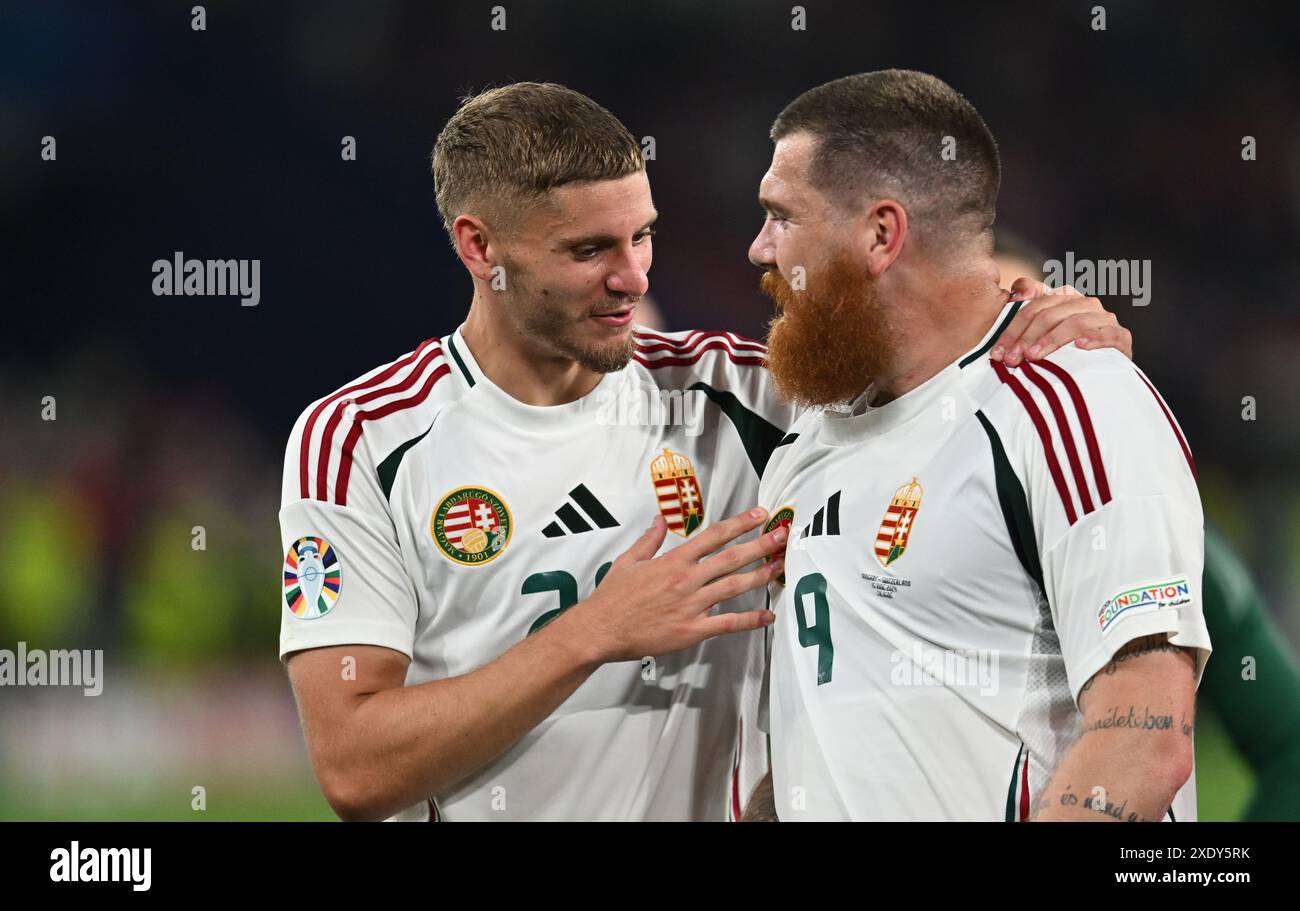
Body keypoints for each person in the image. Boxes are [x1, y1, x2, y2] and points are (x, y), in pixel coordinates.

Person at [280, 81, 1129, 821]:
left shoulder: (746, 395)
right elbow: (355, 767)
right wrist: (596, 631)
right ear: (479, 247)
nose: (635, 276)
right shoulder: (362, 440)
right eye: (590, 251)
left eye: (641, 236)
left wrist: (1045, 319)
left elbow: (940, 354)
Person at [748, 69, 1209, 821]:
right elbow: (833, 751)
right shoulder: (806, 444)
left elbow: (1143, 742)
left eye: (781, 216)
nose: (759, 249)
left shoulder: (1075, 403)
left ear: (880, 233)